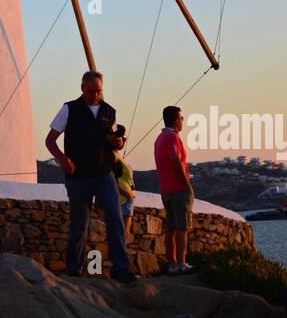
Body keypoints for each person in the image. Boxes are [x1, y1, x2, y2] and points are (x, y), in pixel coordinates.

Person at [45, 71, 136, 284]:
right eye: (92, 91)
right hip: (78, 176)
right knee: (80, 222)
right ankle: (73, 268)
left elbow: (117, 140)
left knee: (115, 218)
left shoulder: (109, 112)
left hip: (104, 173)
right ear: (82, 88)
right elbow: (50, 140)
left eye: (99, 91)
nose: (96, 95)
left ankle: (121, 268)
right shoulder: (69, 109)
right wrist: (62, 159)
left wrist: (118, 143)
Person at [153, 106, 195, 274]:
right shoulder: (173, 137)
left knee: (170, 229)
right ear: (176, 119)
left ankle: (172, 265)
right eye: (181, 118)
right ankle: (181, 264)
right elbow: (175, 160)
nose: (183, 121)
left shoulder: (159, 138)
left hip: (165, 189)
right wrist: (186, 184)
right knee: (182, 227)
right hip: (178, 189)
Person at [114, 152, 136, 242]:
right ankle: (119, 255)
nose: (123, 139)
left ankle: (120, 254)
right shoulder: (113, 157)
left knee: (124, 234)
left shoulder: (118, 157)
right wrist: (125, 193)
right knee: (122, 234)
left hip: (127, 200)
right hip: (123, 199)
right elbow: (111, 178)